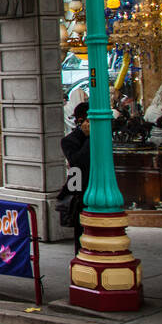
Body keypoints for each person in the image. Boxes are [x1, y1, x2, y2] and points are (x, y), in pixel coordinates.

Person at [58, 102, 91, 255]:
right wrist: (90, 139)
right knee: (82, 233)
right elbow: (77, 161)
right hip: (81, 192)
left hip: (99, 190)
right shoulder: (69, 141)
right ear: (80, 121)